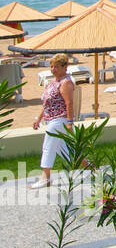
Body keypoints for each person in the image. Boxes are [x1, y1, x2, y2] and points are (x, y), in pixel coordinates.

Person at [30, 53, 76, 189]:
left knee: (48, 147)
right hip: (50, 119)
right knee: (67, 151)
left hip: (59, 119)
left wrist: (69, 122)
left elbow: (69, 103)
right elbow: (46, 104)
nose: (53, 69)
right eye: (51, 66)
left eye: (56, 66)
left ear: (64, 67)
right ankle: (93, 169)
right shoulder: (53, 82)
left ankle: (45, 178)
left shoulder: (65, 82)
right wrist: (38, 119)